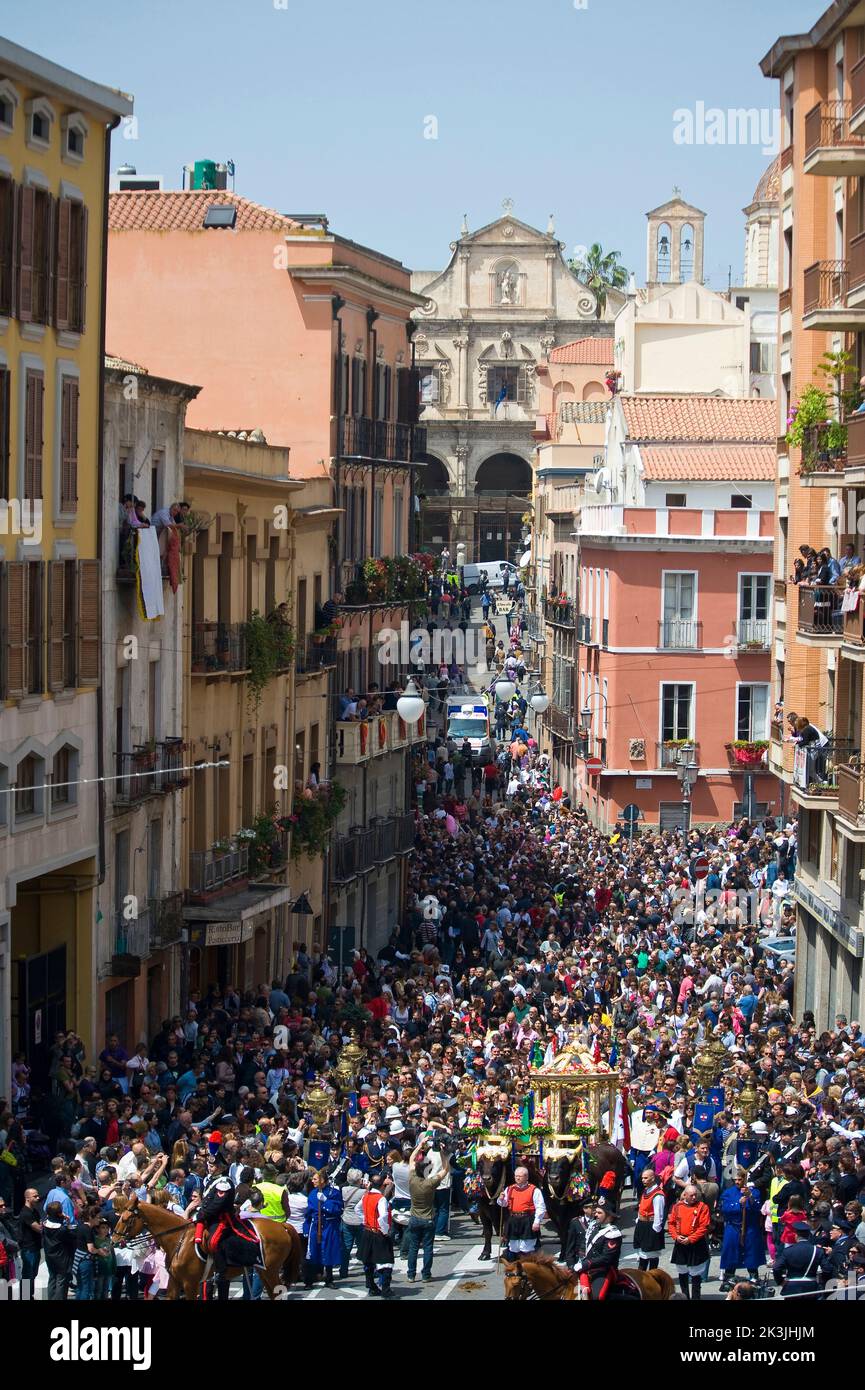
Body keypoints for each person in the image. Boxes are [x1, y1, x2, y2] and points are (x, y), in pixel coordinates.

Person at [403, 1138, 449, 1282]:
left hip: (415, 1218)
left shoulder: (412, 1179)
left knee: (413, 1247)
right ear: (427, 1170)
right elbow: (445, 1169)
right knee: (428, 1247)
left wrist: (420, 1144)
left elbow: (411, 1159)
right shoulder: (430, 1183)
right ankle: (426, 1274)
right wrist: (441, 1151)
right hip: (428, 1218)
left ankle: (411, 1274)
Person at [719, 1168, 765, 1290]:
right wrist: (738, 1204)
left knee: (751, 1252)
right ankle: (729, 1276)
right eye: (735, 1180)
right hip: (733, 1226)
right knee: (731, 1251)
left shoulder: (754, 1192)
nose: (737, 1182)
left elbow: (758, 1208)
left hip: (749, 1226)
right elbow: (725, 1208)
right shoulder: (728, 1192)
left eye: (740, 1179)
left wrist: (750, 1198)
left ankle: (753, 1275)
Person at [668, 1182, 712, 1300]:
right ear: (685, 1195)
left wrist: (690, 1239)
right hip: (681, 1242)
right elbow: (671, 1223)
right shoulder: (677, 1207)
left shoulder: (703, 1207)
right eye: (691, 1195)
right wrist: (676, 1236)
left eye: (695, 1195)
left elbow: (703, 1227)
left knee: (696, 1274)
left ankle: (696, 1297)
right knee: (682, 1272)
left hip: (695, 1243)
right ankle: (684, 1297)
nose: (694, 1197)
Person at [574, 1200, 623, 1300]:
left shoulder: (613, 1233)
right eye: (595, 1212)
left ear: (609, 1216)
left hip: (604, 1270)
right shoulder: (594, 1227)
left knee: (597, 1297)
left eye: (599, 1213)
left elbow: (606, 1259)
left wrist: (585, 1264)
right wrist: (580, 1259)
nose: (595, 1214)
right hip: (587, 1267)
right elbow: (585, 1244)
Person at [303, 1168, 343, 1288]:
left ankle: (329, 1279)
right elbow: (308, 1213)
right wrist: (306, 1228)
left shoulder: (334, 1193)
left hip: (329, 1226)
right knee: (312, 1252)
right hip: (315, 1226)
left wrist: (325, 1202)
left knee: (328, 1251)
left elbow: (338, 1210)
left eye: (315, 1179)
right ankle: (309, 1280)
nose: (313, 1181)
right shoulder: (312, 1193)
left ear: (322, 1180)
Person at [773, 1220, 833, 1300]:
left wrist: (780, 1281)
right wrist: (820, 1281)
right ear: (809, 1236)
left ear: (796, 1235)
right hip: (811, 1288)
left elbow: (776, 1268)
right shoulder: (817, 1251)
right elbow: (828, 1269)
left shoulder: (788, 1251)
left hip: (792, 1288)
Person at [356, 1179, 397, 1299]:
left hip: (367, 1232)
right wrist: (385, 1230)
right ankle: (386, 1290)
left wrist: (365, 1221)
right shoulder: (381, 1199)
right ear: (382, 1186)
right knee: (386, 1262)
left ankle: (372, 1287)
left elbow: (357, 1209)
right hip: (378, 1234)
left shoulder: (366, 1196)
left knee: (368, 1261)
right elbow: (383, 1215)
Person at [498, 1165, 546, 1261]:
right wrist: (501, 1199)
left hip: (527, 1219)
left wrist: (537, 1222)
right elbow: (503, 1204)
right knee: (513, 1246)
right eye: (516, 1176)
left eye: (520, 1176)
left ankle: (527, 1267)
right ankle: (513, 1267)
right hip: (513, 1219)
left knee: (527, 1246)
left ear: (526, 1177)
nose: (518, 1178)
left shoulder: (534, 1190)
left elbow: (540, 1207)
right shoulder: (509, 1189)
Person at [42, 1200, 78, 1301]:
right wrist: (67, 1222)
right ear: (58, 1213)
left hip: (50, 1256)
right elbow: (72, 1237)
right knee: (61, 1281)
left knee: (52, 1278)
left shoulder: (45, 1225)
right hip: (62, 1258)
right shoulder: (61, 1230)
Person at [632, 1169, 665, 1271]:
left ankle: (651, 1278)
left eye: (646, 1178)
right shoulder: (646, 1191)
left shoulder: (658, 1195)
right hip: (642, 1225)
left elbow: (659, 1215)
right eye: (642, 1178)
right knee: (643, 1256)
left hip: (650, 1227)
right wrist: (639, 1220)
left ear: (653, 1178)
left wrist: (655, 1231)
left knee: (651, 1256)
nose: (643, 1180)